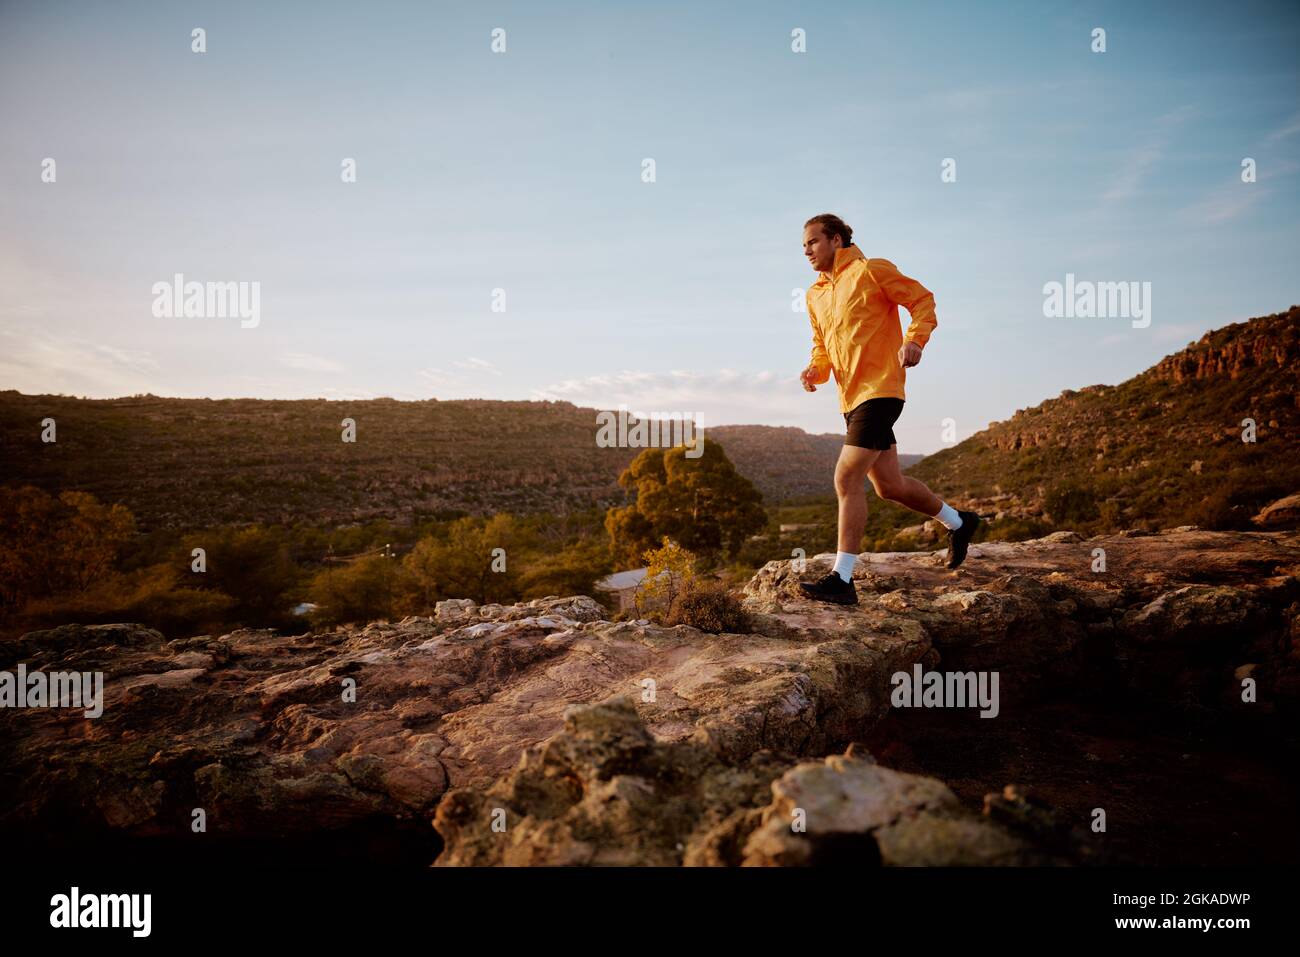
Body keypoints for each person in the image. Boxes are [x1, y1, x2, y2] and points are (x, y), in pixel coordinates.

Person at [796, 213, 979, 605]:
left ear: (836, 239)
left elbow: (922, 300)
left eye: (813, 241)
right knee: (889, 486)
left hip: (881, 390)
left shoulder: (871, 270)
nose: (807, 250)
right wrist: (816, 369)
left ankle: (842, 579)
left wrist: (915, 340)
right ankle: (960, 523)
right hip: (851, 399)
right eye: (804, 246)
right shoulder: (814, 295)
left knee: (846, 478)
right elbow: (823, 347)